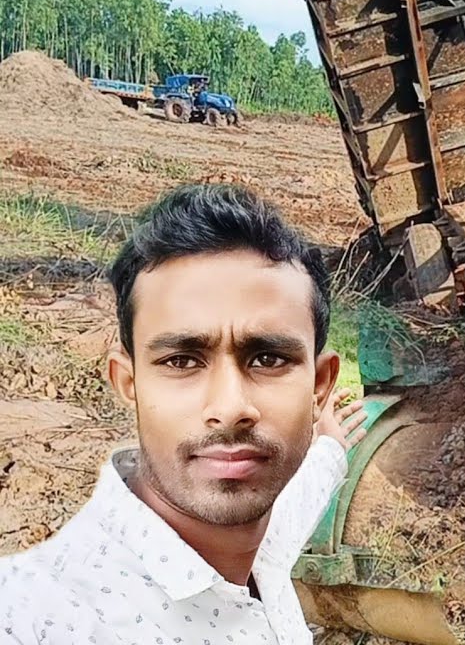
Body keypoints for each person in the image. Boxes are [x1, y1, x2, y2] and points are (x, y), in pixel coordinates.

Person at [0, 184, 369, 644]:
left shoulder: (263, 553)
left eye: (268, 359)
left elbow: (294, 511)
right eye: (181, 361)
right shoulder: (40, 616)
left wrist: (331, 445)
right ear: (128, 382)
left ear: (319, 385)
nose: (230, 408)